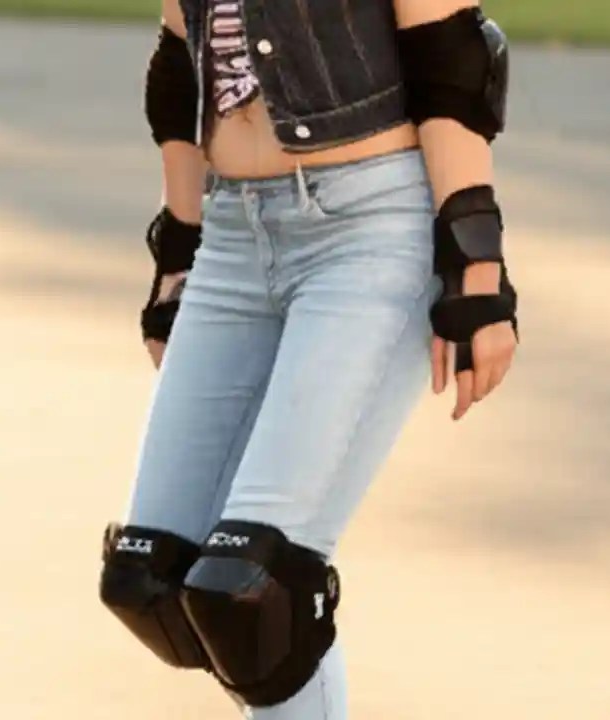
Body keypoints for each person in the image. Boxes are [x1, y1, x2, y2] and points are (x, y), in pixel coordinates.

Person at [99, 0, 518, 716]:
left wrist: (475, 264)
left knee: (255, 592)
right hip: (233, 235)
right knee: (151, 577)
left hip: (368, 232)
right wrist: (178, 250)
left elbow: (453, 56)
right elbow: (180, 62)